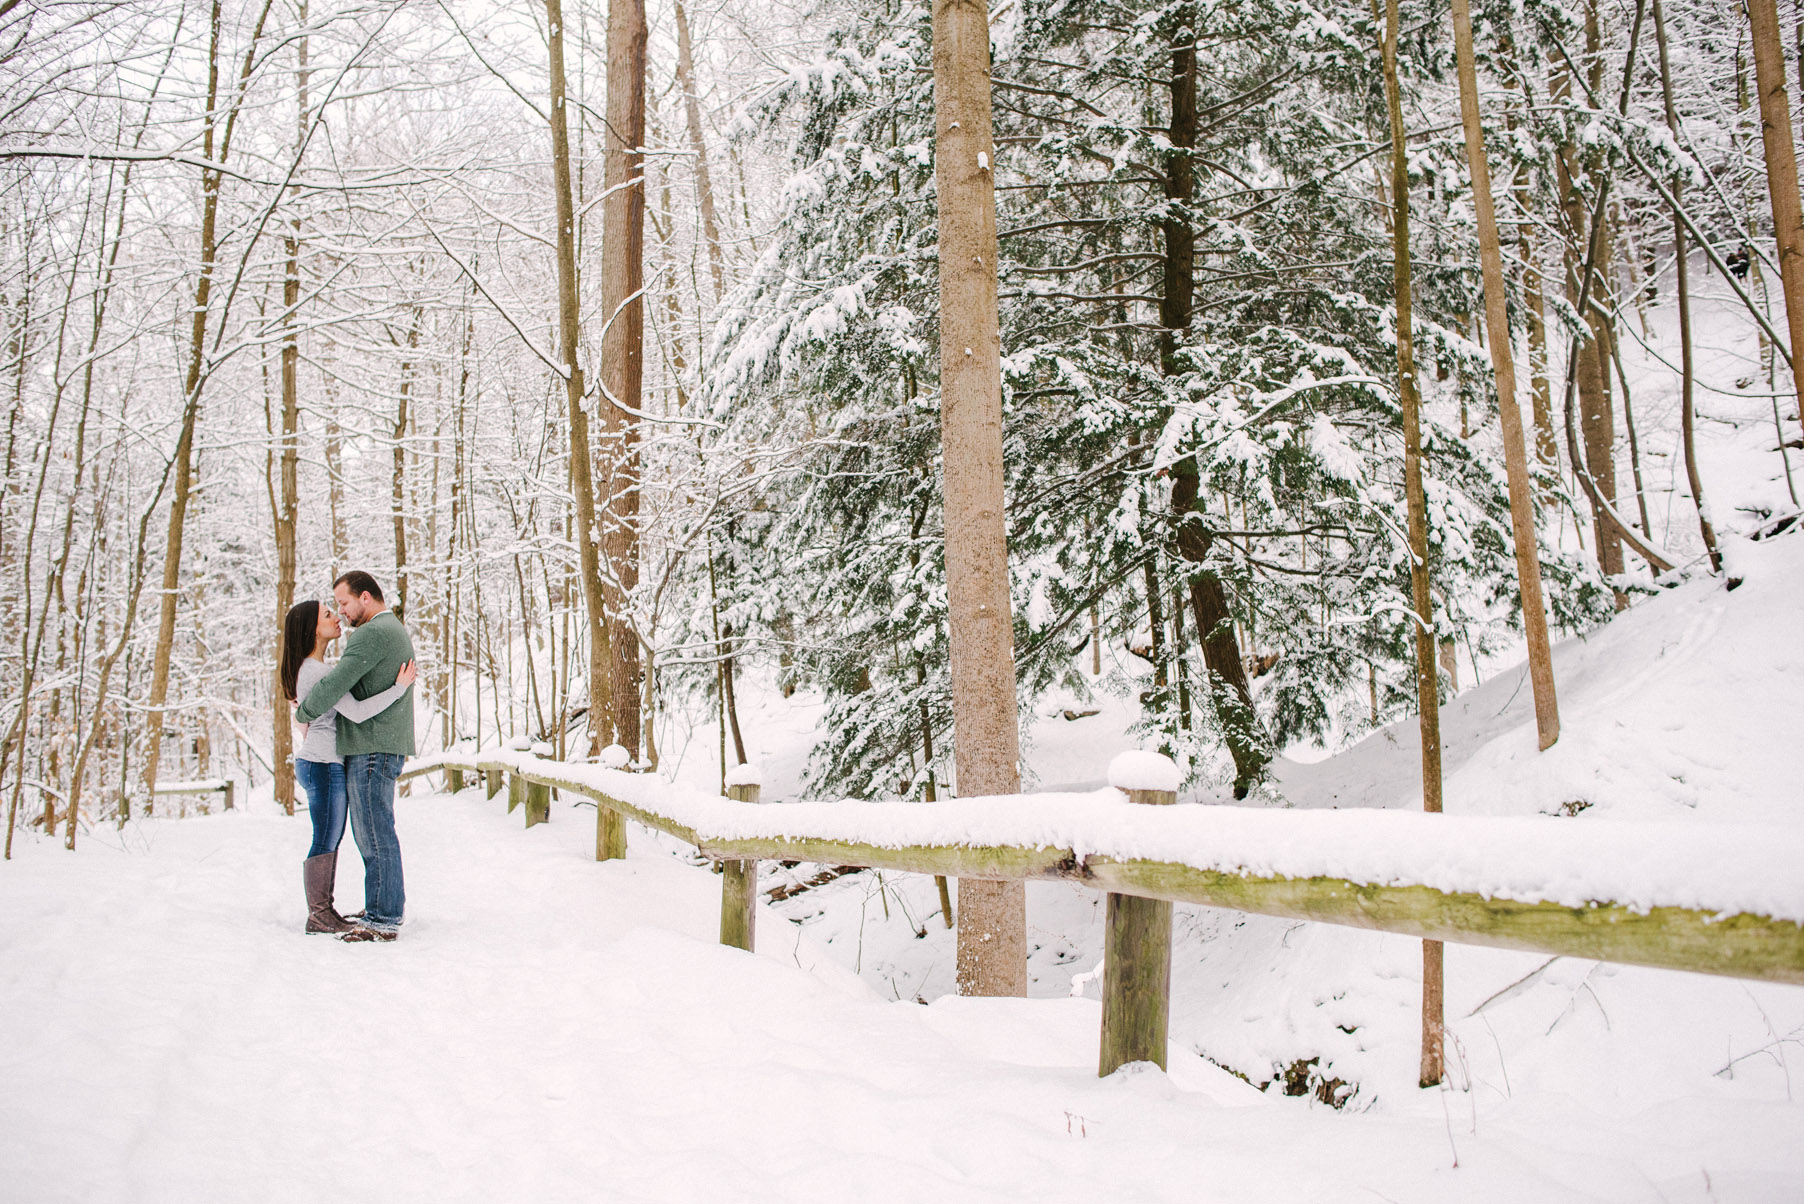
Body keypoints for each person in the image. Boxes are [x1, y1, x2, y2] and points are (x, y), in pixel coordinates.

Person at [279, 598, 416, 939]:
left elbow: (308, 718)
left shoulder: (312, 669)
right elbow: (354, 712)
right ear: (312, 629)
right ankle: (321, 915)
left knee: (330, 836)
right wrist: (398, 690)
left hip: (320, 761)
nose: (337, 617)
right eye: (328, 614)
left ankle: (324, 913)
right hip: (323, 765)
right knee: (326, 837)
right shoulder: (319, 672)